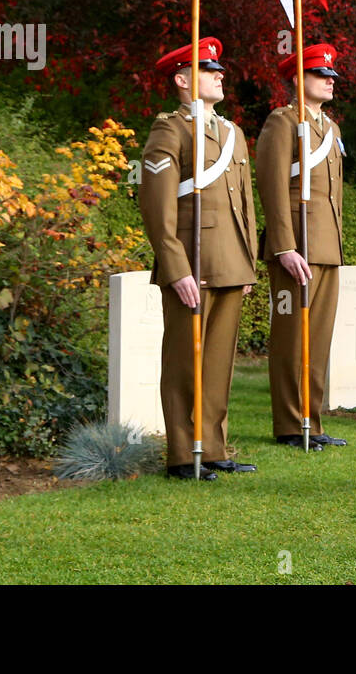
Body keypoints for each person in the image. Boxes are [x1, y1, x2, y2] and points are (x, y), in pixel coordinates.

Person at [139, 36, 258, 478]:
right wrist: (174, 266)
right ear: (183, 79)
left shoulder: (233, 133)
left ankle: (214, 449)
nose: (220, 76)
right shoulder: (171, 129)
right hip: (193, 260)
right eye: (209, 71)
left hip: (230, 259)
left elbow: (244, 202)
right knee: (186, 360)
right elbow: (157, 205)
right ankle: (182, 455)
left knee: (218, 361)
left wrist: (247, 259)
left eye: (220, 70)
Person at [255, 43, 348, 451]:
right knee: (293, 338)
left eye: (331, 76)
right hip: (297, 245)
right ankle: (292, 425)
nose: (329, 81)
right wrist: (283, 246)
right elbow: (273, 188)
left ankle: (314, 420)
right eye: (319, 75)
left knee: (319, 340)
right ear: (298, 79)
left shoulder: (330, 128)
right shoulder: (282, 122)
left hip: (326, 243)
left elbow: (335, 195)